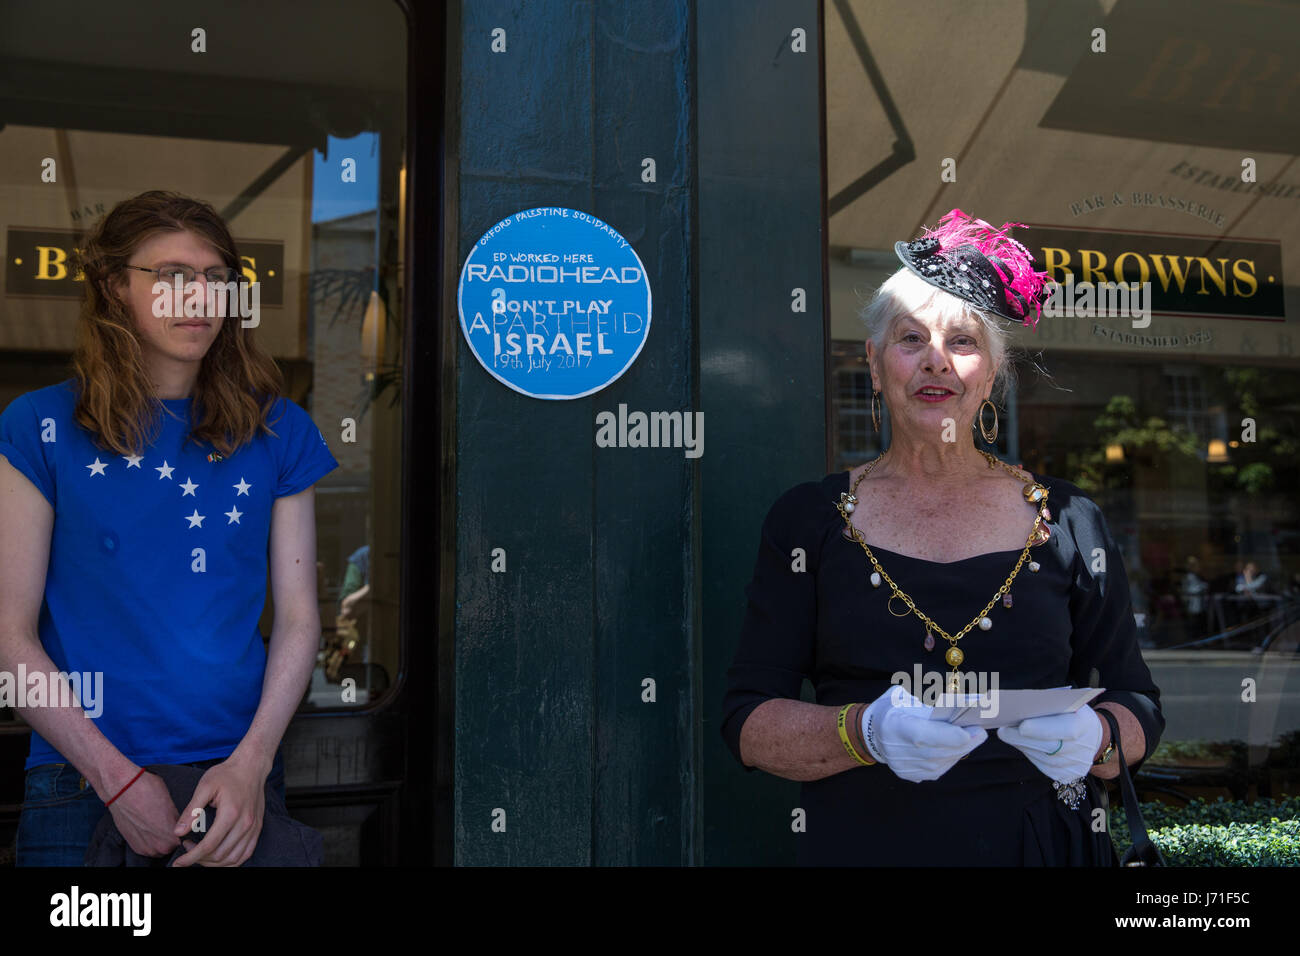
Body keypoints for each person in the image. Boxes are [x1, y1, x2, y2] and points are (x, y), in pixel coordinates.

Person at [720, 209, 1165, 866]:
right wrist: (863, 732)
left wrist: (1098, 737)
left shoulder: (1069, 518)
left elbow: (1139, 706)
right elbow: (749, 724)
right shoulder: (809, 520)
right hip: (864, 848)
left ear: (990, 373)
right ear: (874, 365)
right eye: (909, 338)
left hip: (1042, 849)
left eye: (962, 341)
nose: (935, 361)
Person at [0, 190, 339, 866]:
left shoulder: (279, 428)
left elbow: (300, 619)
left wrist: (252, 764)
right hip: (77, 785)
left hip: (237, 780)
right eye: (173, 276)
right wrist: (117, 780)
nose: (200, 298)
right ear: (115, 288)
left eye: (216, 279)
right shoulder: (38, 426)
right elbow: (7, 634)